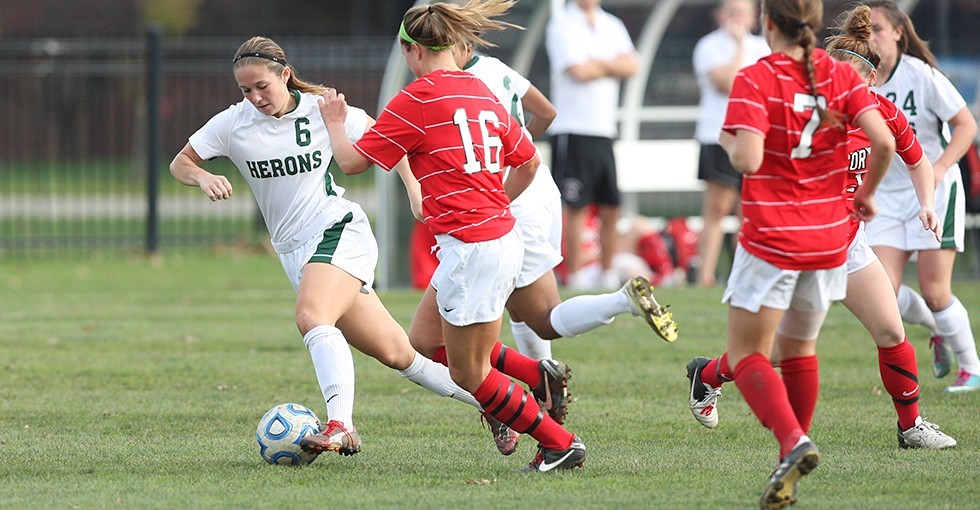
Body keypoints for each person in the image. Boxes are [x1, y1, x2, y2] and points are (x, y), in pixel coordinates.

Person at [169, 36, 489, 459]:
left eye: (262, 86)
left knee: (311, 316)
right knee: (400, 354)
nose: (255, 97)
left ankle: (341, 425)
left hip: (337, 229)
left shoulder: (323, 109)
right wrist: (203, 177)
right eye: (245, 90)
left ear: (285, 74)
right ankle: (501, 406)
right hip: (294, 252)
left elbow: (394, 144)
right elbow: (181, 162)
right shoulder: (233, 123)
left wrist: (415, 191)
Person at [316, 0, 587, 472]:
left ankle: (559, 443)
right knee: (423, 341)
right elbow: (529, 163)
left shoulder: (416, 98)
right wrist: (496, 200)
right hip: (492, 240)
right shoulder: (481, 90)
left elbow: (354, 162)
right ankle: (536, 375)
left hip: (473, 250)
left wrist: (335, 123)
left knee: (468, 371)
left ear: (411, 50)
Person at [685, 4, 956, 453]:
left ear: (870, 80)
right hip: (796, 237)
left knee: (891, 333)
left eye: (852, 74)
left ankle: (909, 427)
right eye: (834, 70)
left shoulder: (880, 112)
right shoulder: (803, 105)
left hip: (844, 242)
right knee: (774, 352)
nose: (839, 81)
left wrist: (925, 202)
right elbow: (751, 153)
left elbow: (914, 159)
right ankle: (711, 376)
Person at [402, 36, 679, 457]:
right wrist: (512, 152)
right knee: (493, 321)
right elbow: (546, 113)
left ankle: (545, 417)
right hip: (535, 190)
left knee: (533, 321)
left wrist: (491, 171)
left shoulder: (450, 85)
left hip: (500, 202)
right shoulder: (495, 69)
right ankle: (539, 384)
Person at [713, 0, 895, 507]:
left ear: (768, 23)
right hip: (827, 237)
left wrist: (728, 142)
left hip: (773, 234)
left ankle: (793, 442)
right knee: (799, 351)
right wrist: (867, 195)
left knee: (750, 352)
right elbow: (881, 142)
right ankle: (786, 460)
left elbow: (747, 158)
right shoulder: (839, 73)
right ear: (813, 25)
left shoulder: (756, 77)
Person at [862, 0, 980, 394]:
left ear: (898, 32)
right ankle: (936, 329)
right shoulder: (860, 78)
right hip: (885, 197)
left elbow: (965, 124)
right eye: (867, 31)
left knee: (934, 290)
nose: (872, 37)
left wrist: (943, 167)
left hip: (933, 190)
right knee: (885, 295)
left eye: (878, 29)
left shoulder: (921, 75)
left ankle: (972, 368)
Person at [545, 0, 638, 290]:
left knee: (610, 206)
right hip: (573, 128)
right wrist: (612, 64)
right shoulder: (562, 24)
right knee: (576, 205)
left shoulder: (612, 24)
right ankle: (573, 275)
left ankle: (607, 272)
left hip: (603, 129)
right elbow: (577, 71)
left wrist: (597, 63)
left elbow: (632, 65)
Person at [691, 0, 770, 287]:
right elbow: (729, 82)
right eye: (731, 12)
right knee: (717, 209)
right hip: (717, 135)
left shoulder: (763, 47)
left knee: (748, 211)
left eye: (742, 13)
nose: (736, 18)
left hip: (754, 136)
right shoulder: (709, 46)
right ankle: (705, 276)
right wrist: (739, 47)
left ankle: (744, 275)